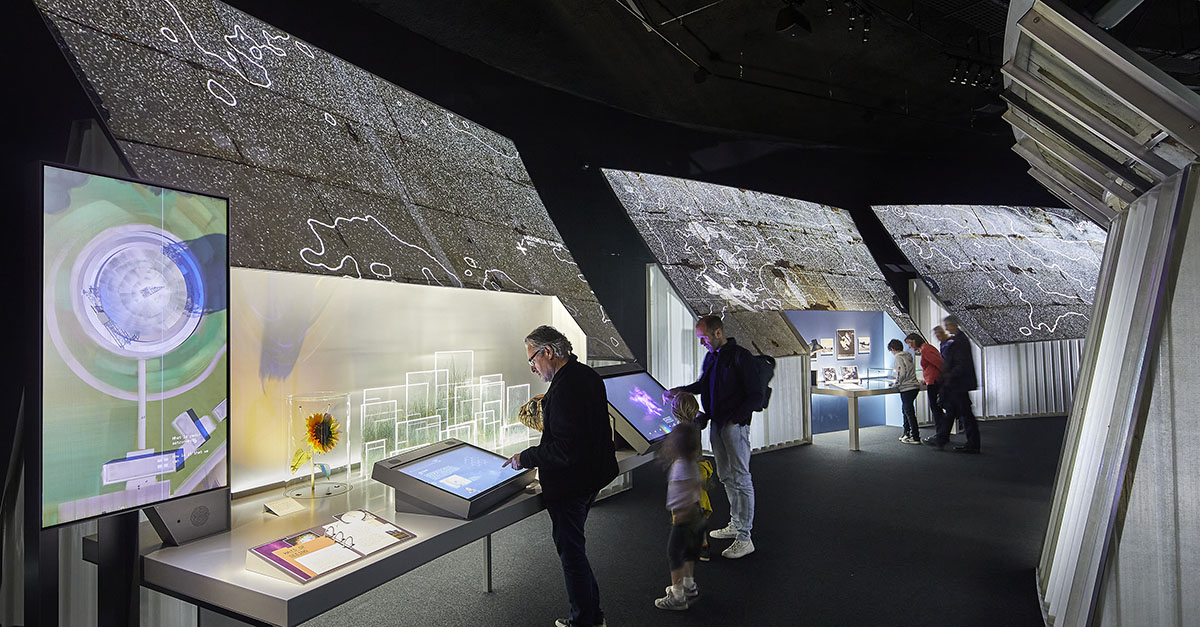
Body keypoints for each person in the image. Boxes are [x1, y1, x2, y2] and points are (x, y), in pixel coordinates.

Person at [503, 325, 619, 627]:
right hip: (593, 476)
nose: (532, 368)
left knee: (572, 554)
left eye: (532, 360)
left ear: (549, 352)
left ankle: (584, 620)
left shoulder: (565, 389)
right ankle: (592, 615)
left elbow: (566, 449)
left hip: (572, 485)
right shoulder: (586, 375)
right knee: (575, 549)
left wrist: (526, 457)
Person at [670, 314, 762, 559]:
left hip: (734, 427)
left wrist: (735, 419)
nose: (702, 343)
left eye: (704, 338)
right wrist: (680, 391)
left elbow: (756, 395)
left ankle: (745, 537)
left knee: (741, 478)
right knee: (726, 476)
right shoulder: (712, 357)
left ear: (718, 333)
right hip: (717, 425)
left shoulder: (741, 357)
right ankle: (736, 524)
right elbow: (703, 385)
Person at [653, 394, 705, 611]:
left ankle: (677, 596)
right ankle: (689, 586)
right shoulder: (692, 458)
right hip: (697, 514)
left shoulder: (681, 466)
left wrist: (680, 516)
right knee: (690, 552)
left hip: (684, 517)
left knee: (674, 553)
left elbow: (684, 490)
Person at [924, 315, 981, 453]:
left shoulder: (959, 341)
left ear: (953, 324)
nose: (946, 328)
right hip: (957, 383)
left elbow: (960, 364)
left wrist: (948, 377)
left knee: (963, 413)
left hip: (958, 384)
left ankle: (971, 444)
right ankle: (942, 439)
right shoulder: (958, 340)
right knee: (954, 412)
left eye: (947, 325)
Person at [905, 332, 943, 440]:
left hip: (935, 382)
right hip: (932, 381)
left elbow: (940, 364)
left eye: (909, 343)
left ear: (914, 341)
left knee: (936, 408)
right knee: (936, 408)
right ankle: (941, 433)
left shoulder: (926, 349)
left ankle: (941, 434)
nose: (910, 347)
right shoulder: (926, 349)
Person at [887, 339, 921, 444]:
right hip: (914, 386)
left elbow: (901, 374)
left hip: (906, 387)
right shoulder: (908, 356)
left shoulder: (898, 358)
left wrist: (895, 384)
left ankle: (915, 436)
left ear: (892, 349)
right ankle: (907, 433)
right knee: (906, 410)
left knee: (909, 412)